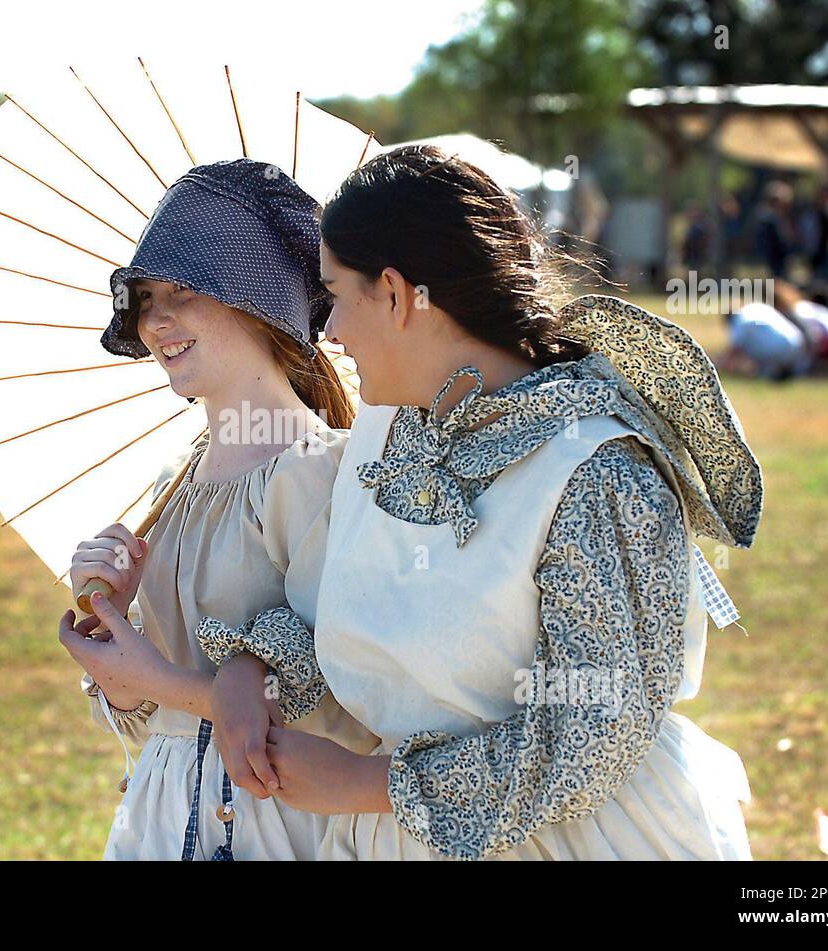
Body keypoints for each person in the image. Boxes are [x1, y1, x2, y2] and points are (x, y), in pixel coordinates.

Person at [201, 145, 761, 860]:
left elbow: (594, 731)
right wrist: (252, 673)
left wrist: (371, 784)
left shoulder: (596, 466)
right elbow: (344, 605)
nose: (328, 332)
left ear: (398, 294)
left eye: (335, 295)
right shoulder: (387, 427)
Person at [56, 159, 376, 861]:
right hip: (159, 824)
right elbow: (153, 727)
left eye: (184, 291)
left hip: (274, 826)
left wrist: (158, 680)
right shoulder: (175, 484)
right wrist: (117, 651)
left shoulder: (321, 472)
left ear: (257, 298)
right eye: (144, 298)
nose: (155, 320)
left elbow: (342, 702)